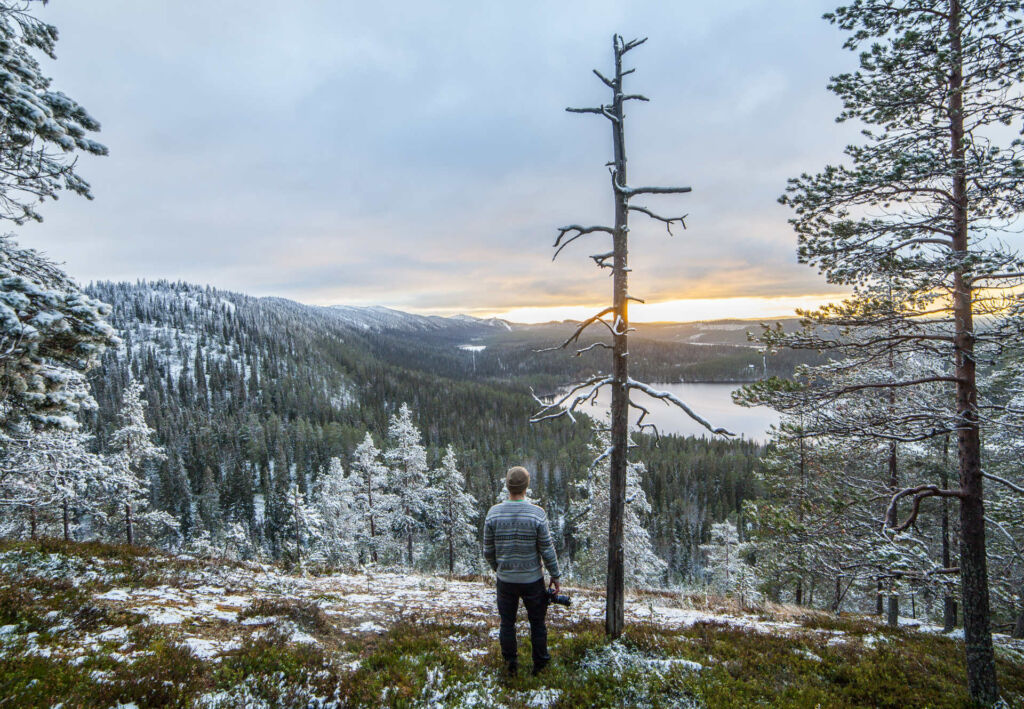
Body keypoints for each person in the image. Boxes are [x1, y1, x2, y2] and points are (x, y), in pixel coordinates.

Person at [483, 466, 561, 677]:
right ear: (526, 486)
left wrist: (498, 569)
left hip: (505, 580)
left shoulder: (493, 513)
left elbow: (488, 550)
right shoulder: (537, 514)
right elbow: (547, 548)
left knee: (507, 623)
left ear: (508, 486)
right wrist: (555, 575)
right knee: (537, 623)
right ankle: (540, 665)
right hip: (533, 580)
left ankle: (510, 666)